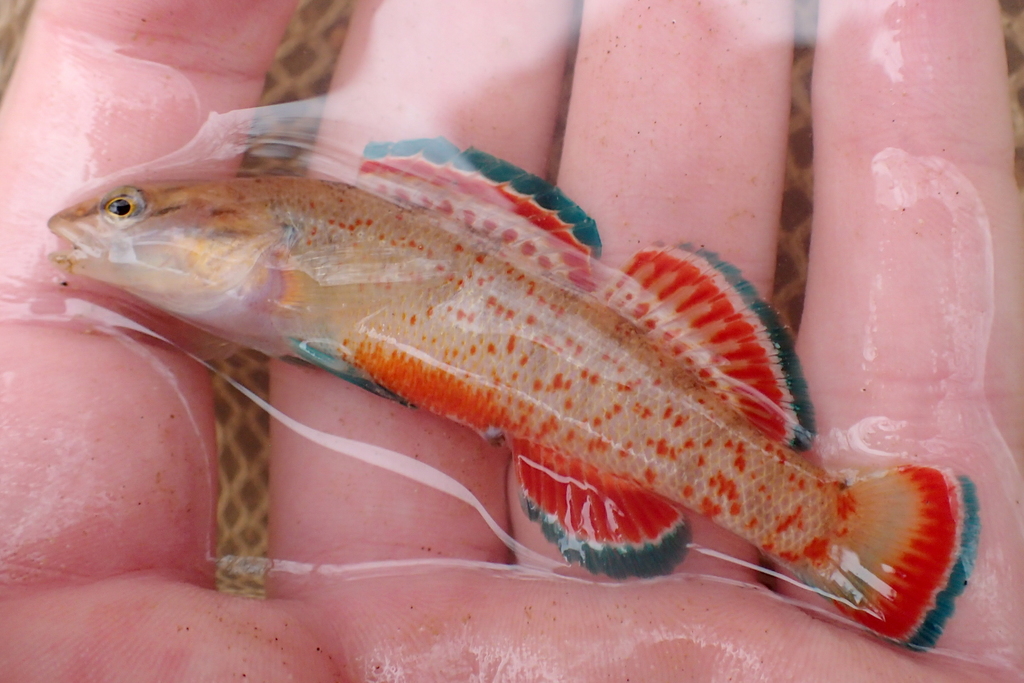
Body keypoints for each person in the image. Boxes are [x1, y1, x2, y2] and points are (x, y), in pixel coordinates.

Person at [0, 0, 1021, 679]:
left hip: (606, 383)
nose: (92, 228)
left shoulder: (290, 243)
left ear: (225, 227)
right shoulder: (270, 265)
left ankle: (838, 525)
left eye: (129, 211)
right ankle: (835, 528)